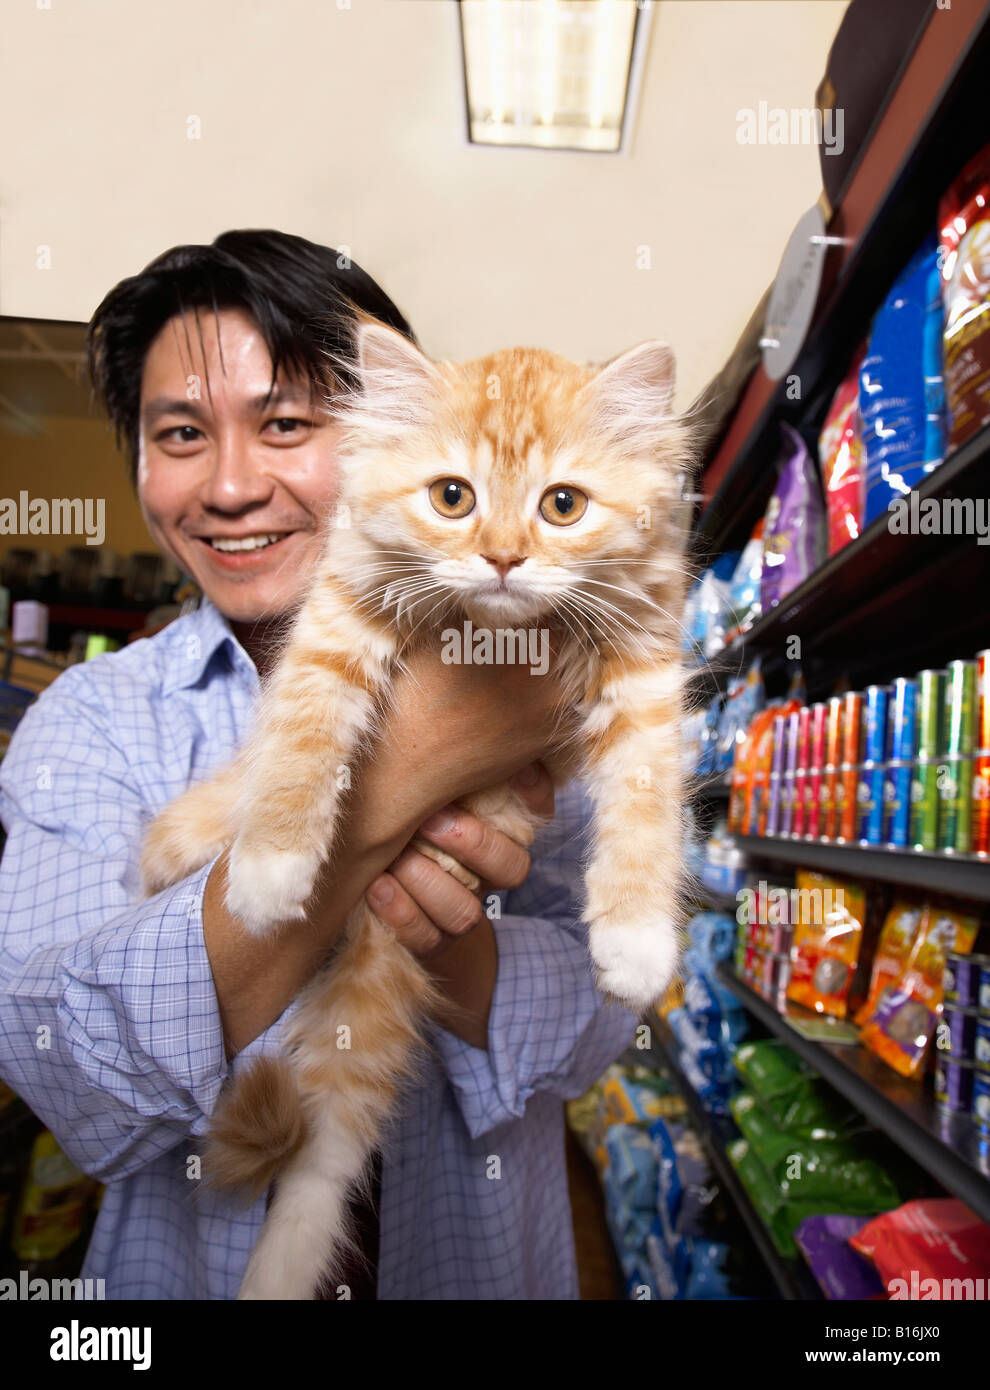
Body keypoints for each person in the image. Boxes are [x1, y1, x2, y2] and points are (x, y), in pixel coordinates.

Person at [0, 230, 638, 1300]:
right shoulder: (94, 719)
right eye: (181, 433)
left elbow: (604, 1029)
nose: (230, 485)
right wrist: (398, 785)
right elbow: (60, 1066)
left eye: (288, 424)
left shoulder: (541, 676)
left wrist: (459, 955)